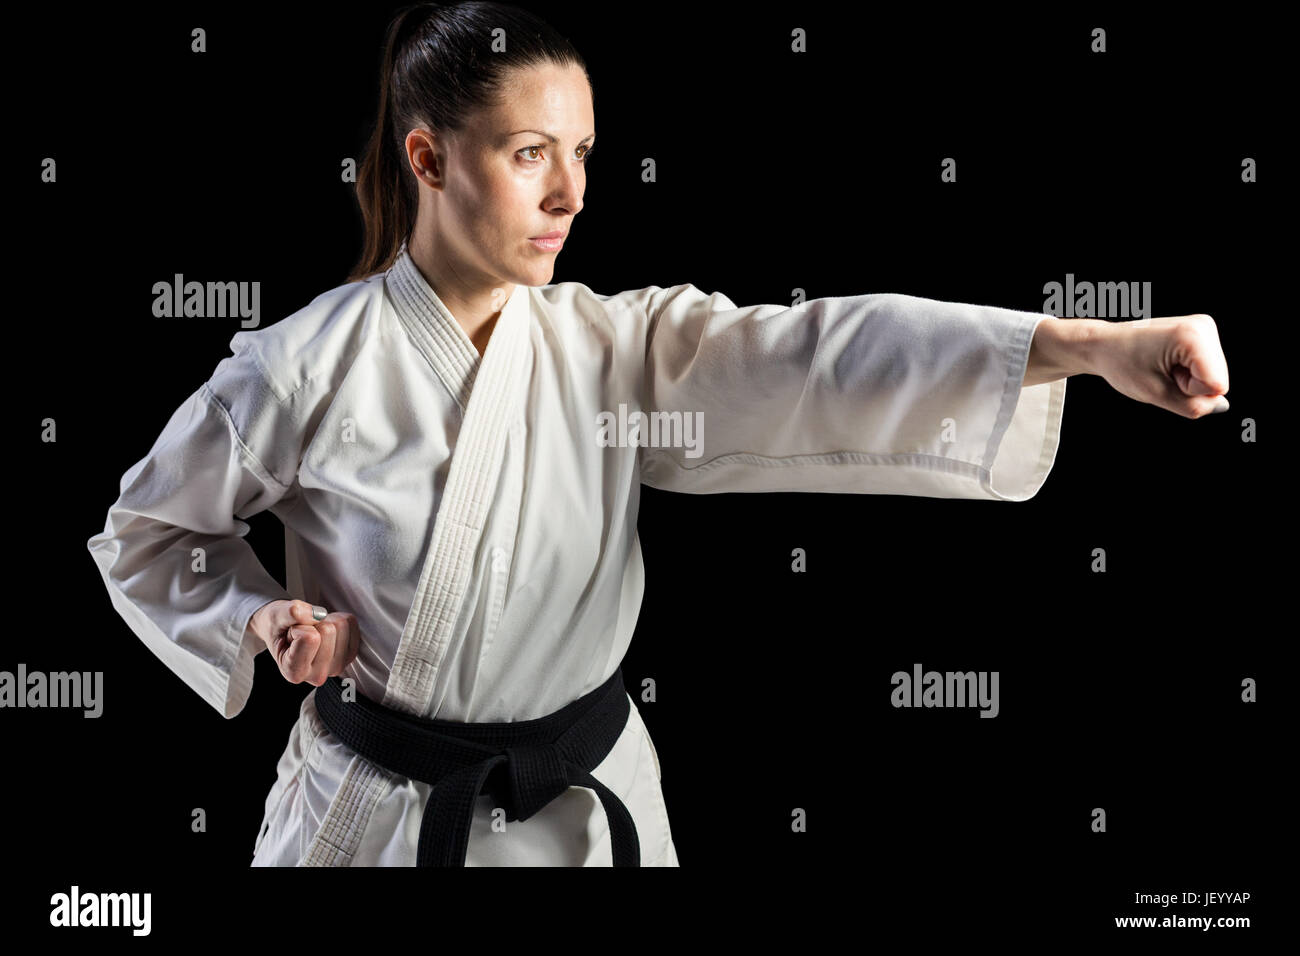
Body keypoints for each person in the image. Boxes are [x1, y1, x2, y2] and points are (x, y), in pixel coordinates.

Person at [85, 1, 1230, 867]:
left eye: (581, 152)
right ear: (427, 158)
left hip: (585, 817)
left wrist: (1082, 345)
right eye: (529, 153)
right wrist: (258, 615)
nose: (571, 194)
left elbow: (815, 355)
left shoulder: (613, 350)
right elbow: (146, 531)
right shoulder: (303, 364)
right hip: (381, 824)